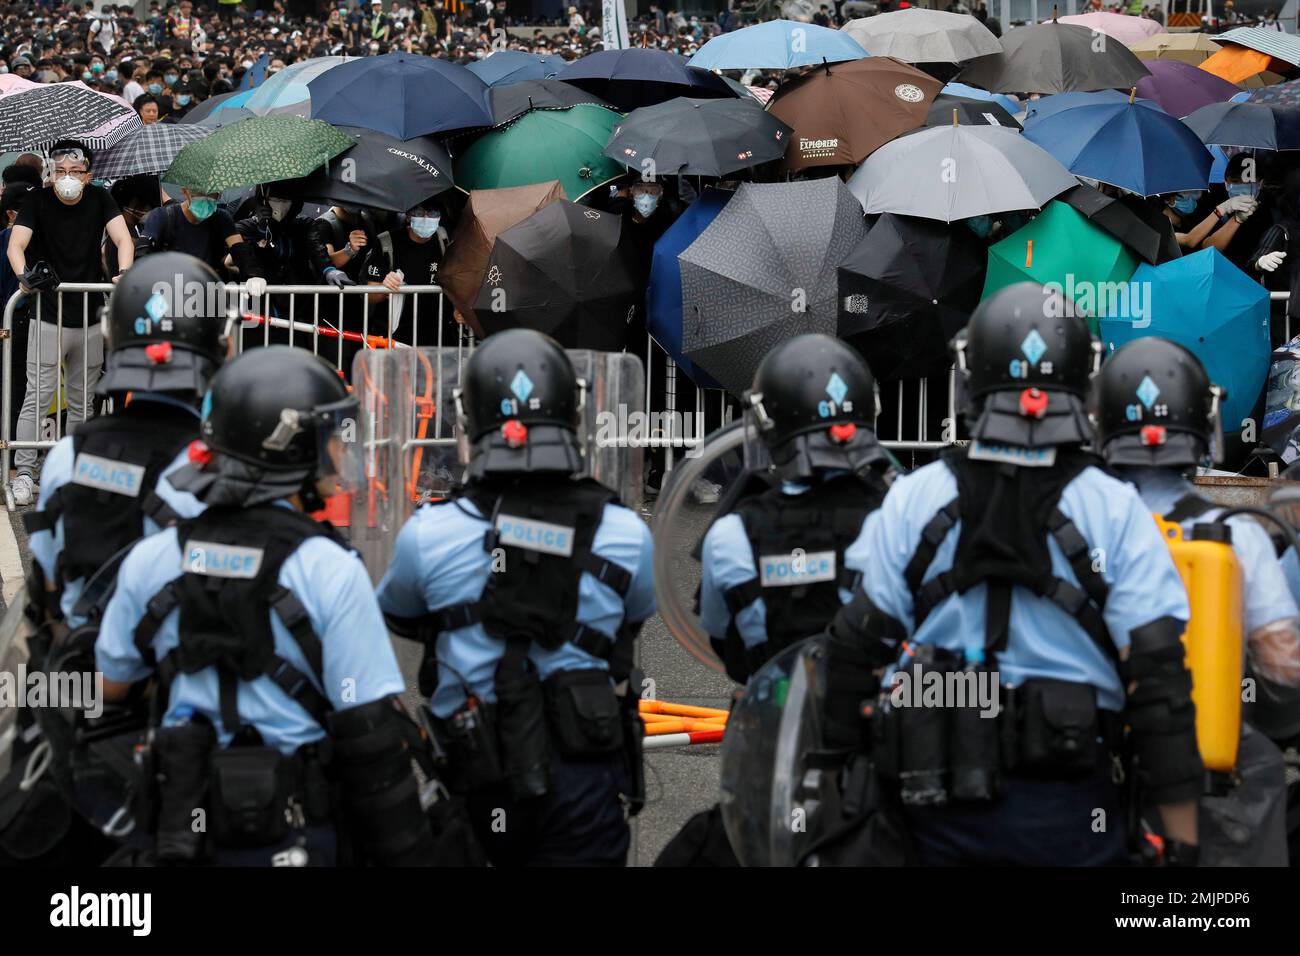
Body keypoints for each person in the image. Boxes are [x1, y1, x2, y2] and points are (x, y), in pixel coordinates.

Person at [828, 282, 1203, 866]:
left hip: (928, 807)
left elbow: (854, 654)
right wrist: (1182, 846)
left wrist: (832, 800)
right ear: (1086, 382)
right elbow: (1158, 679)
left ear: (968, 375)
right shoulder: (1114, 506)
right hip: (1072, 810)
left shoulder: (913, 497)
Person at [95, 345, 436, 866]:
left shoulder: (151, 559)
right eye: (329, 438)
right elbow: (369, 732)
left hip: (181, 828)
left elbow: (112, 686)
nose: (340, 452)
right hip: (298, 826)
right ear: (290, 450)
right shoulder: (330, 569)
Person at [376, 328, 653, 866]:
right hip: (585, 782)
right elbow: (633, 620)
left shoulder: (426, 535)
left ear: (469, 421)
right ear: (572, 416)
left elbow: (402, 615)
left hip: (477, 772)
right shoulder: (626, 533)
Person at [1094, 335, 1300, 865]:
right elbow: (1282, 675)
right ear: (1203, 423)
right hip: (1211, 776)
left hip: (1088, 772)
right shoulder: (1236, 534)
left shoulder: (1073, 524)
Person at [23, 252, 225, 632]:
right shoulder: (220, 468)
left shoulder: (67, 455)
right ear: (221, 347)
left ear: (111, 334)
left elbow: (47, 580)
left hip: (81, 665)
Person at [699, 334, 894, 683]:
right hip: (877, 717)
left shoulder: (730, 536)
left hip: (769, 713)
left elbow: (718, 632)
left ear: (766, 420)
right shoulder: (902, 518)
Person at [7, 141, 135, 507]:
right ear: (50, 173)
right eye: (59, 171)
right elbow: (16, 245)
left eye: (75, 172)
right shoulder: (37, 200)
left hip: (90, 315)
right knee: (37, 397)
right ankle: (25, 472)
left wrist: (124, 271)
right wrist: (25, 276)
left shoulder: (99, 198)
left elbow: (122, 237)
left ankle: (77, 472)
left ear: (89, 175)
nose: (67, 178)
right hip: (47, 313)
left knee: (83, 402)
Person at [362, 199, 452, 345]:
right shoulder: (386, 242)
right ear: (409, 216)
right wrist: (385, 287)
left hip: (436, 334)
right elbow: (370, 295)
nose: (426, 218)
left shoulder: (446, 240)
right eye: (419, 213)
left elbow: (459, 281)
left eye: (432, 213)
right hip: (393, 336)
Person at [138, 190, 261, 281]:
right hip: (169, 293)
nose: (206, 199)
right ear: (185, 192)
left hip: (209, 294)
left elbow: (239, 248)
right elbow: (143, 255)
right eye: (200, 193)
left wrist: (253, 276)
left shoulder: (221, 218)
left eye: (212, 195)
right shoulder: (162, 216)